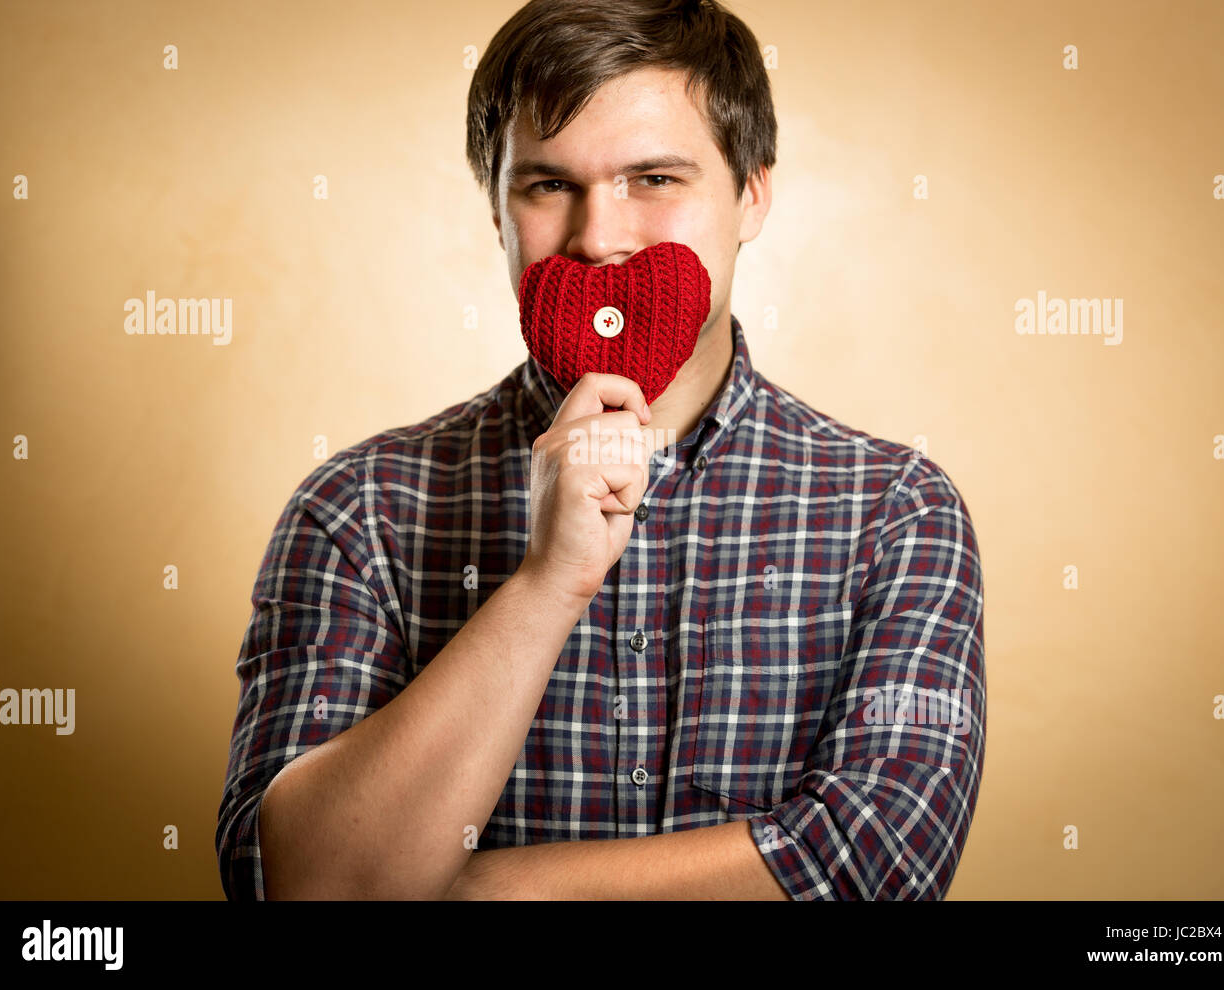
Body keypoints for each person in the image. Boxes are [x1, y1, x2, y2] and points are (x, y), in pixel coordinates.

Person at [216, 0, 986, 901]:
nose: (599, 239)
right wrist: (548, 584)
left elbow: (873, 866)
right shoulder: (359, 508)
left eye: (654, 178)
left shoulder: (894, 511)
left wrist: (465, 890)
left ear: (753, 195)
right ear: (498, 213)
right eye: (548, 186)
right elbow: (303, 885)